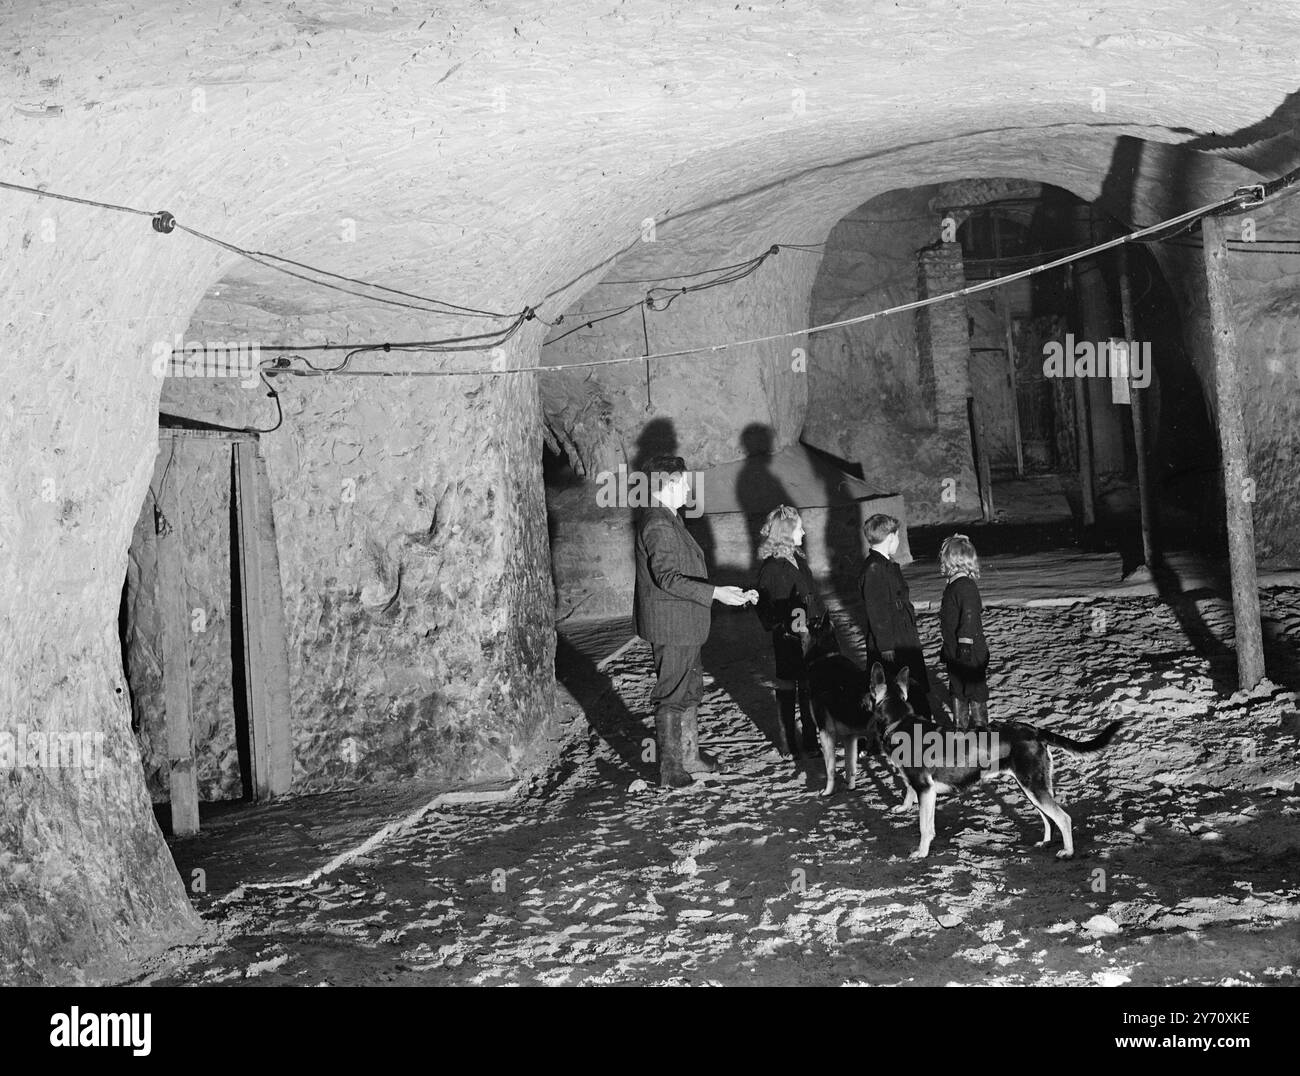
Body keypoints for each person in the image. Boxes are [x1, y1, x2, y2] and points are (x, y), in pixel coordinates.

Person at [633, 454, 757, 787]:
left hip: (683, 621)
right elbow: (668, 578)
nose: (688, 487)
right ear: (668, 484)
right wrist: (715, 592)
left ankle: (689, 756)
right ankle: (670, 769)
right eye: (684, 481)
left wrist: (716, 591)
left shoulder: (669, 518)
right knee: (672, 693)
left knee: (689, 689)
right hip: (672, 624)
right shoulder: (658, 522)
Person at [754, 505, 825, 758]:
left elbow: (812, 595)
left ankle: (810, 740)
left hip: (809, 636)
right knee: (788, 687)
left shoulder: (799, 559)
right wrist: (786, 626)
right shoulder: (772, 568)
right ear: (786, 532)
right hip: (789, 639)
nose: (804, 532)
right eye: (799, 528)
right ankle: (787, 742)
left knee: (808, 686)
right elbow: (764, 610)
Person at [857, 512, 933, 717]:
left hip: (901, 632)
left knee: (911, 683)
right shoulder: (874, 568)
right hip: (892, 641)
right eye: (897, 536)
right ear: (890, 537)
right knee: (900, 685)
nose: (898, 541)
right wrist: (886, 645)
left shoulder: (884, 564)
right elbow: (877, 611)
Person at [938, 533, 989, 729]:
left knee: (974, 689)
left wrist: (965, 643)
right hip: (954, 650)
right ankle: (960, 726)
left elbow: (969, 615)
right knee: (957, 687)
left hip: (969, 651)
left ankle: (981, 729)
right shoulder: (953, 585)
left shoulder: (965, 586)